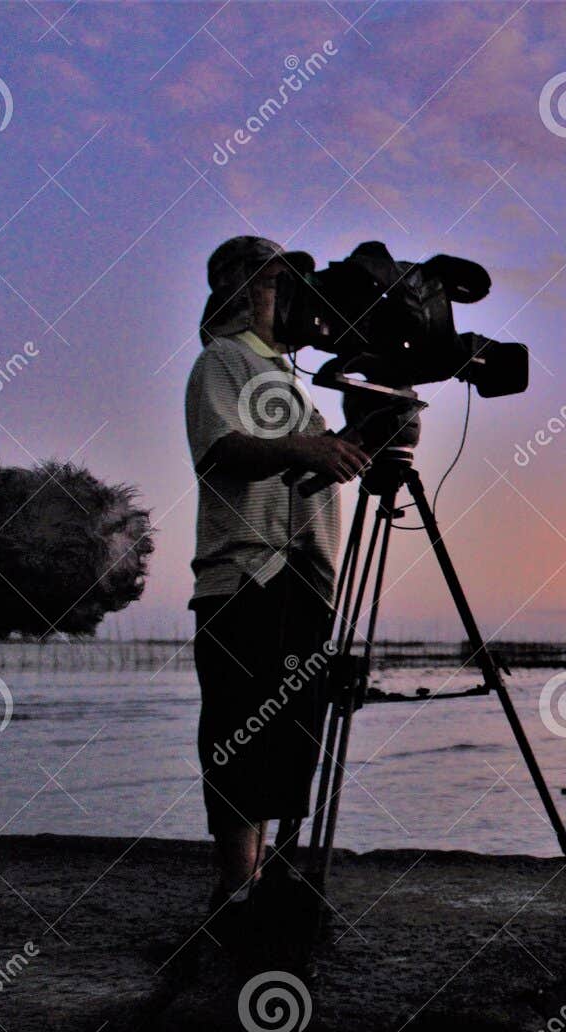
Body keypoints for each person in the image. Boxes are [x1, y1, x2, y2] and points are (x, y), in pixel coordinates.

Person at [184, 236, 371, 925]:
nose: (287, 296)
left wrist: (359, 437)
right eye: (273, 283)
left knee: (295, 736)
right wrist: (302, 446)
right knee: (237, 734)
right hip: (245, 574)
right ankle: (235, 888)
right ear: (239, 290)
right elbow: (222, 448)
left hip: (307, 577)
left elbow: (319, 460)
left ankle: (278, 880)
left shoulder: (293, 381)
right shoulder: (223, 360)